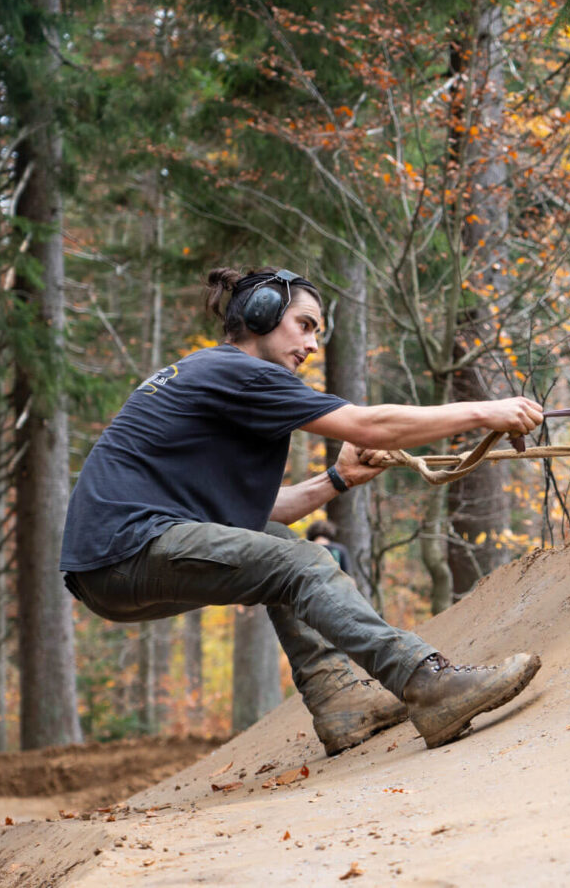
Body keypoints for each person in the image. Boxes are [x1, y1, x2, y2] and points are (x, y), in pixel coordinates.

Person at [60, 266, 544, 754]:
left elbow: (266, 514)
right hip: (128, 550)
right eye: (306, 324)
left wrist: (338, 479)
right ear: (261, 314)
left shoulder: (211, 374)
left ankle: (339, 701)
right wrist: (487, 410)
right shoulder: (240, 371)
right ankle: (428, 683)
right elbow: (367, 425)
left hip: (108, 569)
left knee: (281, 546)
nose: (313, 345)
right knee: (306, 562)